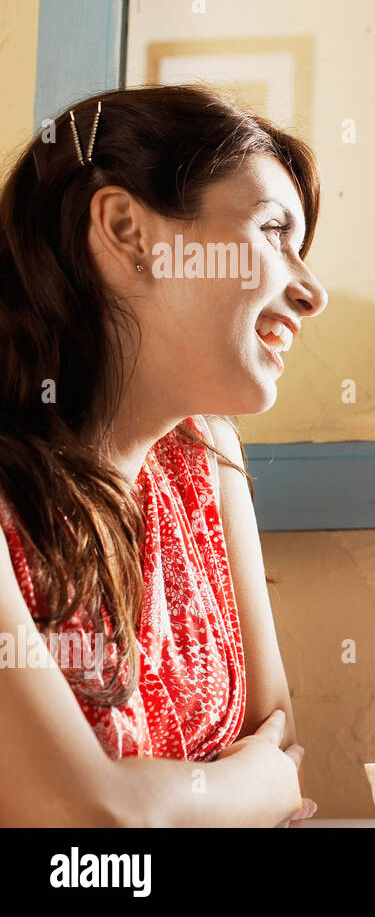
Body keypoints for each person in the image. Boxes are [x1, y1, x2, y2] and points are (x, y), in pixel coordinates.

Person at [0, 85, 328, 826]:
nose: (312, 291)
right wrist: (250, 789)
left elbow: (285, 752)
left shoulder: (203, 455)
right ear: (127, 230)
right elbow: (79, 821)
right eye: (273, 229)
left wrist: (159, 801)